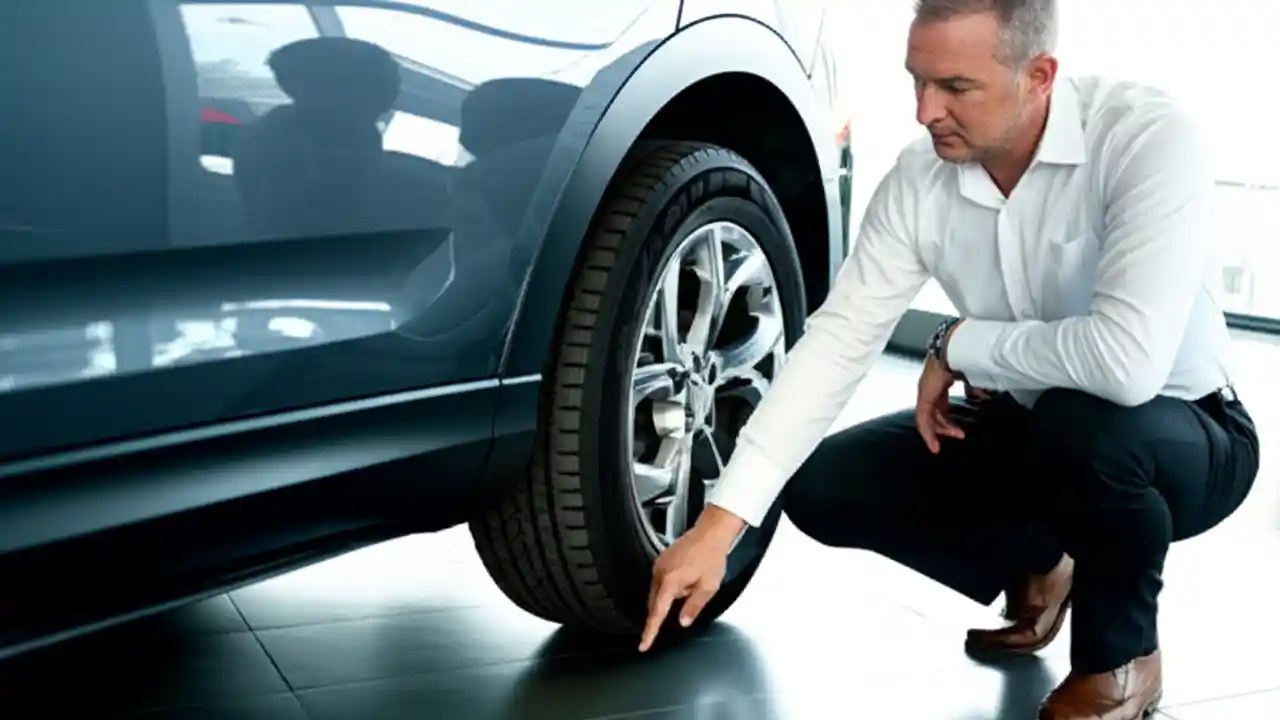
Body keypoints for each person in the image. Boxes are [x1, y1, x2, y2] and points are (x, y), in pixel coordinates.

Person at [637, 1, 1261, 718]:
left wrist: (962, 343)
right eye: (917, 81)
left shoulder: (1146, 139)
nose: (925, 110)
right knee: (819, 485)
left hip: (1187, 434)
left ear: (1039, 76)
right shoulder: (919, 180)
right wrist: (719, 526)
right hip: (1037, 429)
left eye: (955, 87)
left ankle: (1122, 658)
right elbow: (839, 340)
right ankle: (1045, 553)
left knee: (1083, 428)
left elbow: (1128, 363)